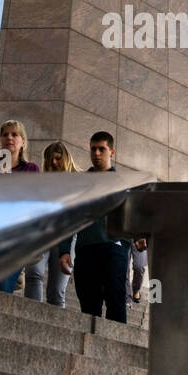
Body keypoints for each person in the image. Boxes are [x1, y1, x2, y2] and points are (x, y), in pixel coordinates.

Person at [73, 131, 132, 323]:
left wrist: (130, 243)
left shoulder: (122, 184)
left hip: (114, 248)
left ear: (111, 152)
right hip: (85, 248)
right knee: (88, 305)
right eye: (93, 149)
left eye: (102, 149)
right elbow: (71, 217)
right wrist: (65, 250)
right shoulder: (81, 183)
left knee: (115, 298)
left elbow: (130, 215)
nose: (96, 153)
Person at [0, 119, 41, 298]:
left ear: (23, 142)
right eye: (5, 134)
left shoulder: (31, 169)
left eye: (14, 134)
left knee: (2, 288)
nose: (9, 138)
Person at [36, 140, 78, 307]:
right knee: (34, 274)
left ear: (66, 159)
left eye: (58, 158)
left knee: (57, 290)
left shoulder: (76, 181)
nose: (53, 163)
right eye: (50, 159)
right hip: (43, 233)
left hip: (66, 237)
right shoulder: (42, 182)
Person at [131, 238, 148, 303]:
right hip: (122, 236)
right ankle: (127, 295)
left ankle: (136, 290)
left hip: (140, 235)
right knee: (123, 266)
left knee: (140, 266)